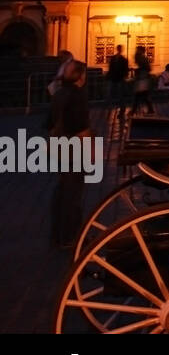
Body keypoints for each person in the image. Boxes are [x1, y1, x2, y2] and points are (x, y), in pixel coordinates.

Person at [49, 59, 91, 250]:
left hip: (58, 146)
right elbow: (82, 128)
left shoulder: (58, 93)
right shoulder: (78, 95)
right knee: (73, 194)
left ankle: (58, 235)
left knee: (62, 191)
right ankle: (70, 236)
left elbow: (49, 123)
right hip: (73, 148)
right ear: (81, 76)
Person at [106, 45, 130, 113]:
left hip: (118, 78)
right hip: (114, 78)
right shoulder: (119, 59)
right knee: (114, 94)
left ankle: (121, 107)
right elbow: (111, 68)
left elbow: (125, 70)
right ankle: (113, 107)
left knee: (119, 94)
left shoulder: (121, 59)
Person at [132, 44, 154, 114]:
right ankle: (150, 109)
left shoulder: (141, 58)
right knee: (142, 95)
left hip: (142, 78)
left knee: (139, 95)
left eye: (138, 50)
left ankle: (134, 111)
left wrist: (138, 71)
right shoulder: (142, 58)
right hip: (143, 78)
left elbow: (147, 68)